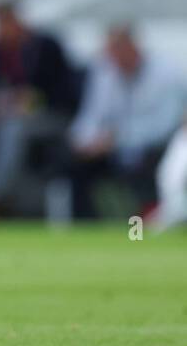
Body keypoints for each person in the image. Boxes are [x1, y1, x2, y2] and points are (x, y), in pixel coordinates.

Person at [63, 25, 185, 219]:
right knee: (74, 163)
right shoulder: (104, 73)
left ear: (133, 46)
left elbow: (164, 126)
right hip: (111, 149)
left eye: (119, 49)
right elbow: (92, 115)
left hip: (152, 148)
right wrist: (84, 139)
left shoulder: (166, 74)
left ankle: (147, 221)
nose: (115, 57)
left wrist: (116, 139)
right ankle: (84, 223)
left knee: (150, 166)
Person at [0, 1, 80, 213]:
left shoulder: (47, 47)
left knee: (14, 130)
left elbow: (65, 95)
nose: (1, 30)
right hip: (7, 117)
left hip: (52, 117)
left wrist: (32, 101)